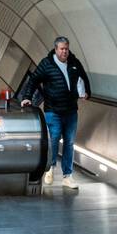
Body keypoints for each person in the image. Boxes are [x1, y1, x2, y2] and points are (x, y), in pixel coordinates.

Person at [19, 36, 90, 190]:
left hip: (71, 110)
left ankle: (67, 176)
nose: (65, 52)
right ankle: (49, 168)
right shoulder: (47, 64)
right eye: (62, 49)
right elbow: (34, 80)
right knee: (54, 139)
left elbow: (83, 77)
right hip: (53, 110)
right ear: (56, 49)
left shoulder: (74, 62)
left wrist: (87, 92)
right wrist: (26, 97)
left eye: (67, 48)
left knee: (70, 143)